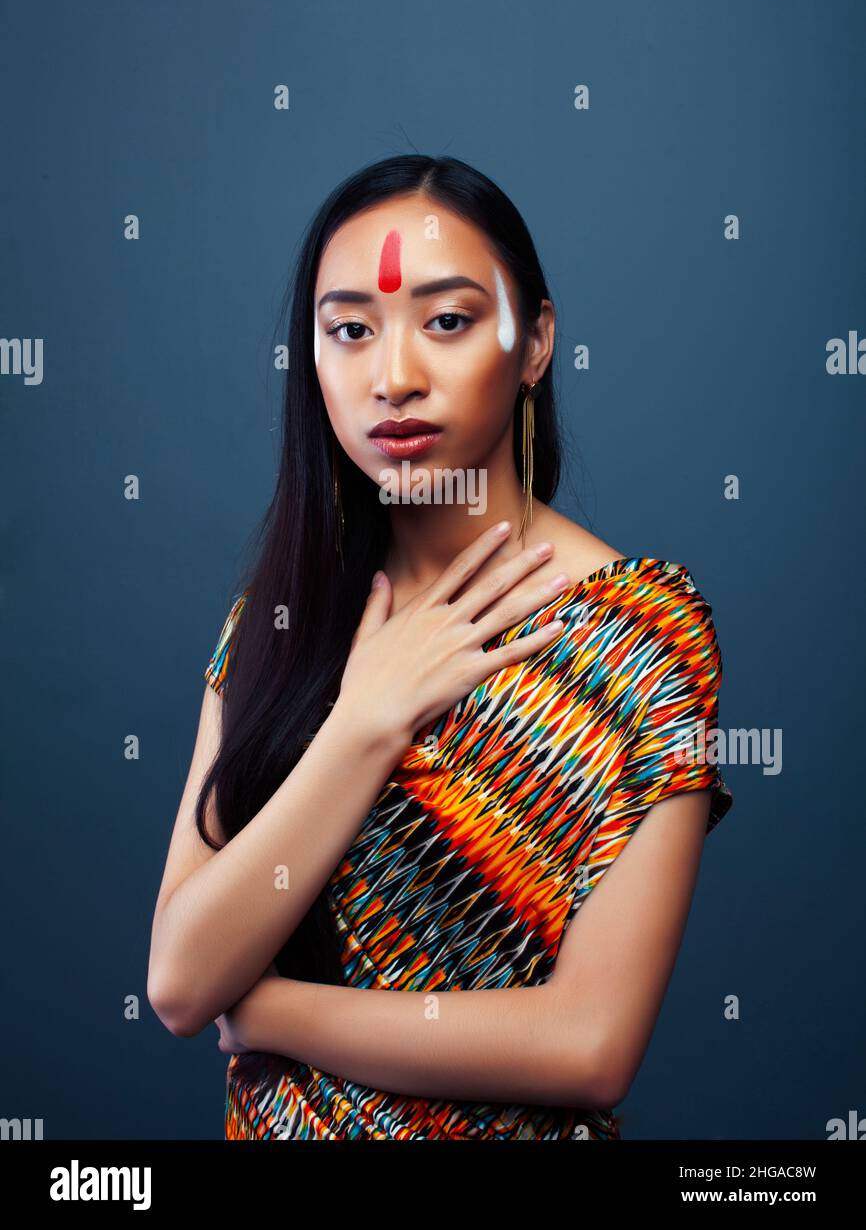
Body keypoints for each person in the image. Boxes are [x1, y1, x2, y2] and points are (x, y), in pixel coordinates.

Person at [147, 154, 733, 1140]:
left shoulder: (636, 633)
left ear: (534, 341)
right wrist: (364, 722)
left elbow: (590, 1044)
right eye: (349, 331)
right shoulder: (279, 618)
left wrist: (274, 1010)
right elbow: (177, 979)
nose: (396, 377)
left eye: (447, 321)